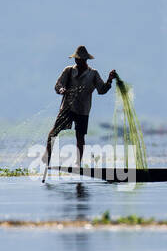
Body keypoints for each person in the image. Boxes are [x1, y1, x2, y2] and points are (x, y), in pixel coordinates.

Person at [43, 46, 117, 179]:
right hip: (67, 108)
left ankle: (78, 163)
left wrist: (110, 80)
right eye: (77, 59)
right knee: (54, 133)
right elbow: (58, 85)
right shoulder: (69, 71)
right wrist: (61, 90)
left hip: (83, 109)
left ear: (85, 60)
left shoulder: (93, 74)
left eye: (80, 59)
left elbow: (101, 90)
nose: (78, 61)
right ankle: (47, 159)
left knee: (80, 137)